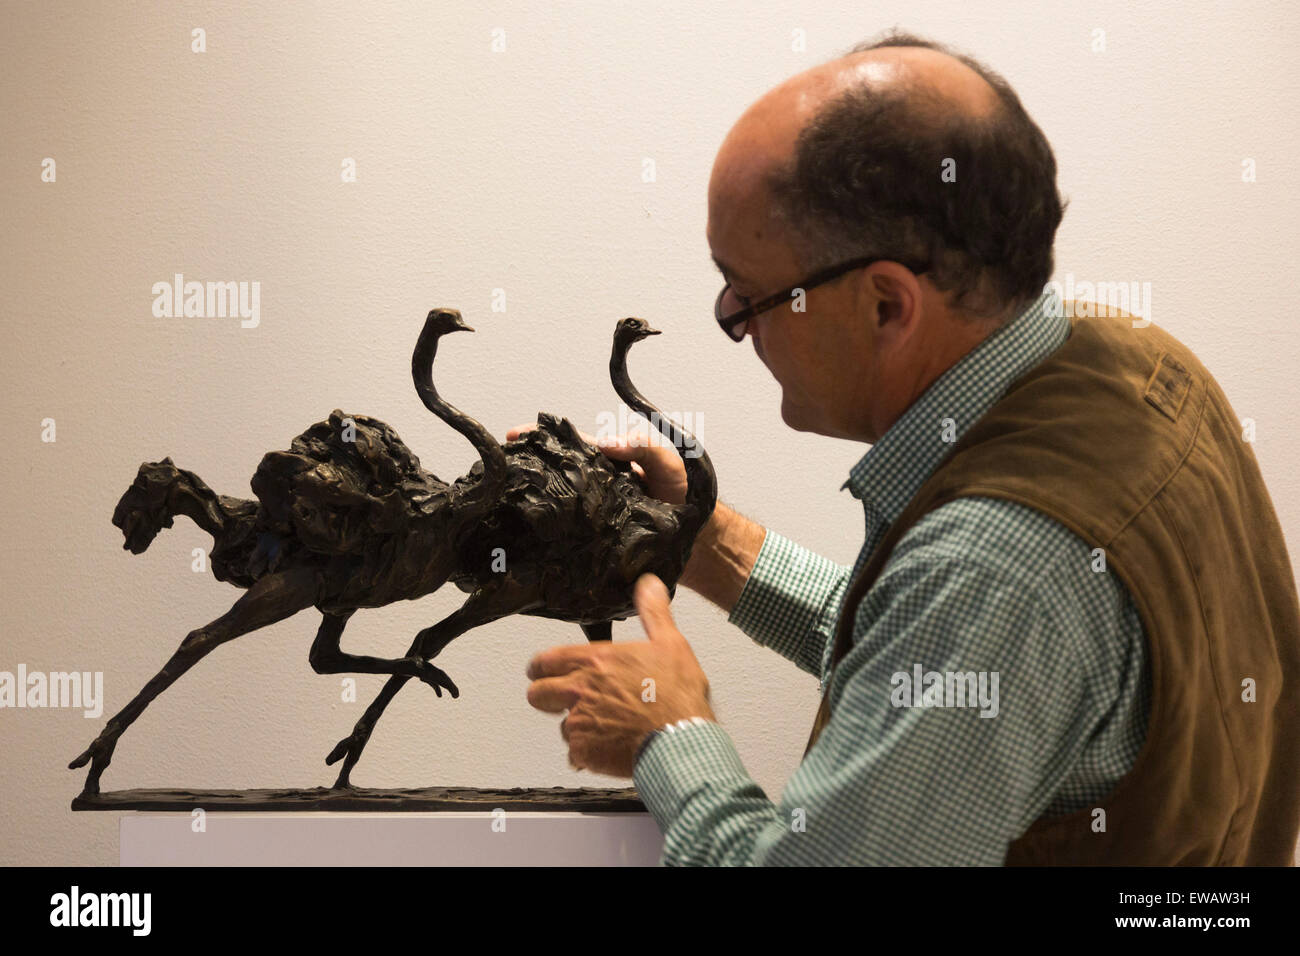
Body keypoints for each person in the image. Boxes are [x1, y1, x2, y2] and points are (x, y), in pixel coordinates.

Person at [522, 31, 1300, 865]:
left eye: (746, 296)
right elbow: (941, 668)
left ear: (888, 305)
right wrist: (703, 539)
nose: (739, 328)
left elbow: (970, 616)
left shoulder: (994, 570)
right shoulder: (1145, 365)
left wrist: (668, 733)